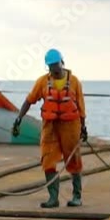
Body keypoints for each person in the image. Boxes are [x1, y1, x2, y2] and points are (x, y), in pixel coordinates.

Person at [12, 48, 87, 207]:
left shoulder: (74, 82)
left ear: (62, 62)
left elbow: (80, 106)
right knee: (48, 160)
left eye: (56, 64)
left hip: (70, 126)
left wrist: (83, 127)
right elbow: (29, 100)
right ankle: (53, 198)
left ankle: (77, 196)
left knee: (73, 159)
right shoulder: (42, 82)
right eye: (51, 66)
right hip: (50, 127)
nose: (54, 68)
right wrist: (18, 119)